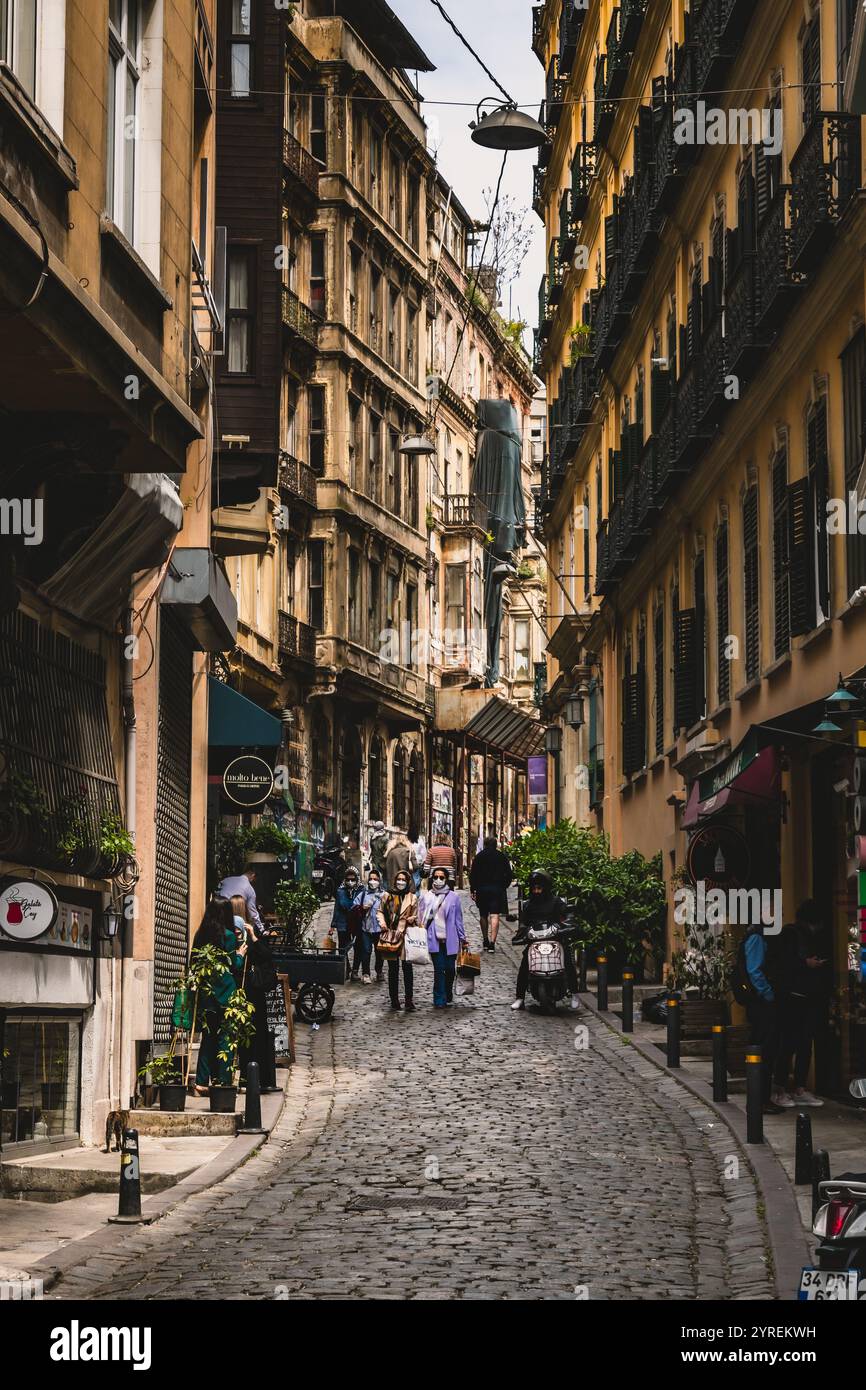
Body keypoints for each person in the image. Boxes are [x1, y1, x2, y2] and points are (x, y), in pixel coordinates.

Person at [770, 899, 831, 1107]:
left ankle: (799, 1088)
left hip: (808, 997)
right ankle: (779, 1088)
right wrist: (807, 963)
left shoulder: (811, 936)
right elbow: (782, 963)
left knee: (805, 1043)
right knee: (789, 1044)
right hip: (791, 998)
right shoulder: (790, 934)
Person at [192, 896, 246, 1094]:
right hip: (226, 993)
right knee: (226, 1038)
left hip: (207, 993)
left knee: (207, 1038)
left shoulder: (200, 935)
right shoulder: (229, 936)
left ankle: (201, 1082)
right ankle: (223, 1082)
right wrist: (240, 954)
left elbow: (194, 962)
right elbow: (234, 966)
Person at [511, 869, 579, 1011]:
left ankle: (574, 993)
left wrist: (567, 926)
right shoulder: (528, 905)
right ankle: (520, 997)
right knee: (524, 965)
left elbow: (567, 915)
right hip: (535, 940)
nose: (536, 891)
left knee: (567, 961)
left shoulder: (556, 902)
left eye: (539, 888)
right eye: (534, 888)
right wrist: (522, 933)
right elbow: (523, 922)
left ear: (546, 887)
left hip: (556, 938)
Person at [230, 894, 277, 1092]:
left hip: (242, 990)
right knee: (255, 1034)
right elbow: (267, 956)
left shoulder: (238, 932)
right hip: (253, 993)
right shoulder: (245, 931)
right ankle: (256, 1075)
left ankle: (245, 1075)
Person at [744, 917, 787, 1113]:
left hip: (760, 1003)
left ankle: (761, 1099)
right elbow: (755, 971)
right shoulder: (756, 937)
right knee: (765, 1050)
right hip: (761, 1005)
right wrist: (768, 994)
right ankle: (759, 1101)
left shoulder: (757, 935)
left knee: (766, 1050)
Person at [419, 867, 467, 1009]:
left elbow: (458, 919)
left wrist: (463, 938)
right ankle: (439, 998)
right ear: (432, 878)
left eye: (441, 877)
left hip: (450, 939)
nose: (438, 880)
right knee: (439, 969)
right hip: (434, 939)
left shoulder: (454, 897)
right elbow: (421, 918)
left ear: (446, 879)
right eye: (436, 877)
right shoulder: (427, 897)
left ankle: (447, 992)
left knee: (450, 969)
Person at [377, 869, 418, 1012]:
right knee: (393, 969)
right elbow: (380, 911)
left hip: (406, 936)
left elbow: (416, 914)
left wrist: (413, 918)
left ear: (408, 882)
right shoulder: (387, 895)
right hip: (391, 936)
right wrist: (382, 924)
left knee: (408, 968)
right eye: (398, 879)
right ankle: (394, 999)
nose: (401, 882)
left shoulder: (412, 897)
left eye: (403, 880)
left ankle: (409, 1000)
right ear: (395, 881)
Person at [469, 835, 514, 952]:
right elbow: (509, 874)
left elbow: (473, 874)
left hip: (482, 889)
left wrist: (473, 889)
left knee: (483, 915)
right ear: (495, 844)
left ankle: (485, 940)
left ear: (485, 844)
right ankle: (492, 943)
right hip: (497, 889)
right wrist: (504, 886)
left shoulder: (479, 857)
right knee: (495, 915)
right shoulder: (501, 857)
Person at [353, 869, 384, 984]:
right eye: (371, 879)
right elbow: (354, 907)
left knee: (379, 952)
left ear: (379, 881)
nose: (372, 881)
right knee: (366, 951)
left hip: (379, 929)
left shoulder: (384, 895)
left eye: (375, 879)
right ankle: (366, 973)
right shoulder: (363, 894)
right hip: (365, 928)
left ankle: (379, 971)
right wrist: (362, 908)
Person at [217, 865, 266, 936]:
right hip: (234, 921)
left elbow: (217, 893)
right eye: (254, 879)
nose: (253, 881)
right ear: (253, 875)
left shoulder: (226, 880)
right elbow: (253, 913)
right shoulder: (250, 889)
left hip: (218, 916)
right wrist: (262, 930)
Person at [331, 866, 361, 956]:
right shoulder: (340, 891)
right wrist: (333, 925)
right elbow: (337, 908)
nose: (350, 882)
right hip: (342, 922)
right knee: (342, 947)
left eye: (353, 879)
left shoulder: (361, 890)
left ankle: (355, 968)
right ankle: (346, 967)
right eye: (348, 879)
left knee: (358, 946)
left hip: (356, 922)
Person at [408, 823, 426, 893]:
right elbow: (424, 853)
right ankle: (416, 895)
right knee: (416, 880)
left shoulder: (407, 839)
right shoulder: (420, 840)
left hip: (408, 863)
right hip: (417, 863)